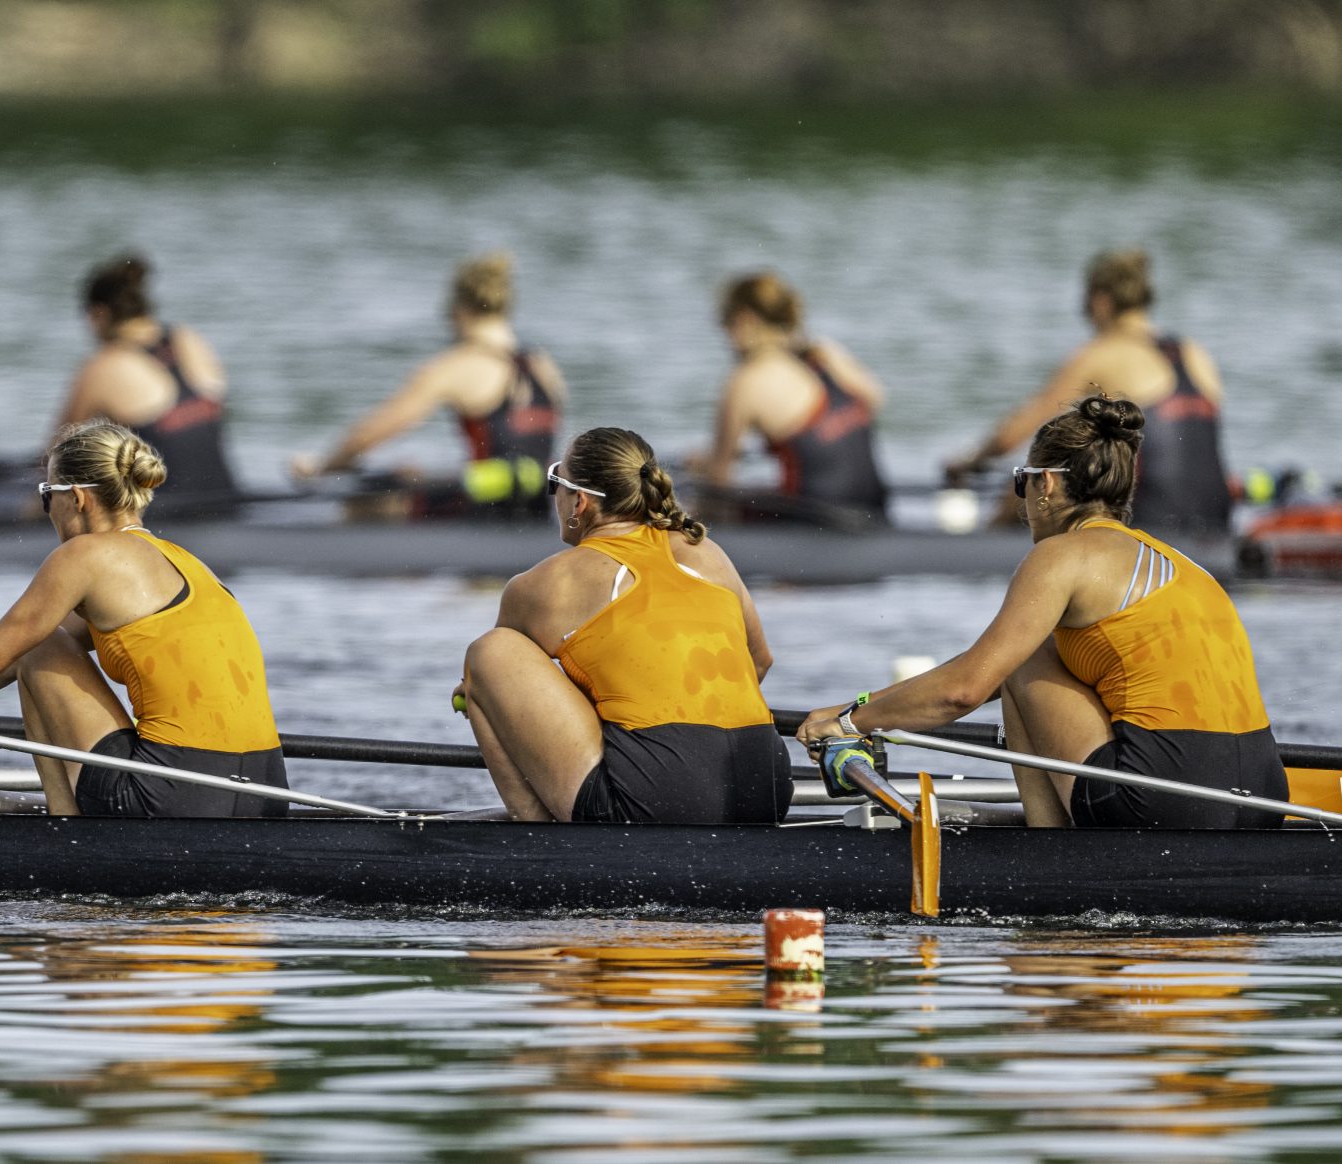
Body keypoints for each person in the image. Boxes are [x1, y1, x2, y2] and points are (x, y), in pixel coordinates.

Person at [801, 397, 1284, 828]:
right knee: (1022, 659)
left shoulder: (1062, 556)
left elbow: (962, 691)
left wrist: (849, 722)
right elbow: (974, 686)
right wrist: (869, 706)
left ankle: (1048, 847)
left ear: (1046, 484)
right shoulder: (1183, 564)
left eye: (1021, 484)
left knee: (1022, 660)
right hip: (1265, 795)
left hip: (1165, 800)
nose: (1024, 502)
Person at [0, 420, 287, 817]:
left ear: (76, 497)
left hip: (175, 794)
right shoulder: (187, 563)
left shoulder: (86, 555)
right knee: (40, 643)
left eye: (46, 495)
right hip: (267, 793)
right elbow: (3, 666)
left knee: (37, 643)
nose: (47, 511)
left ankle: (65, 830)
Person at [459, 427, 787, 823]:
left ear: (579, 502)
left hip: (660, 793)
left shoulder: (545, 584)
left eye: (554, 485)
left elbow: (502, 691)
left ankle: (537, 842)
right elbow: (760, 661)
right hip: (766, 781)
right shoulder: (705, 551)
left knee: (489, 654)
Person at [947, 249, 1233, 535]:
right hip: (1218, 519)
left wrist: (971, 461)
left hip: (1148, 519)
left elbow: (1013, 434)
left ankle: (990, 542)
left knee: (1030, 479)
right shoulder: (1195, 354)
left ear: (1100, 302)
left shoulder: (1101, 353)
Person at [292, 253, 565, 515]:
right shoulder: (544, 367)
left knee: (366, 503)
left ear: (456, 310)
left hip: (484, 510)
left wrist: (324, 469)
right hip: (539, 505)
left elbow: (369, 435)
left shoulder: (457, 365)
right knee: (413, 477)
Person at [697, 272, 890, 526]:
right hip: (874, 508)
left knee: (704, 501)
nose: (725, 336)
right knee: (759, 492)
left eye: (726, 324)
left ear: (745, 320)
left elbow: (719, 479)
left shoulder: (745, 381)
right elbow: (877, 398)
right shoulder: (824, 355)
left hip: (817, 523)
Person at [55, 254, 241, 512]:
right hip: (230, 501)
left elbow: (57, 459)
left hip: (163, 518)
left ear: (98, 314)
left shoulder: (101, 366)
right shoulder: (190, 339)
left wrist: (33, 509)